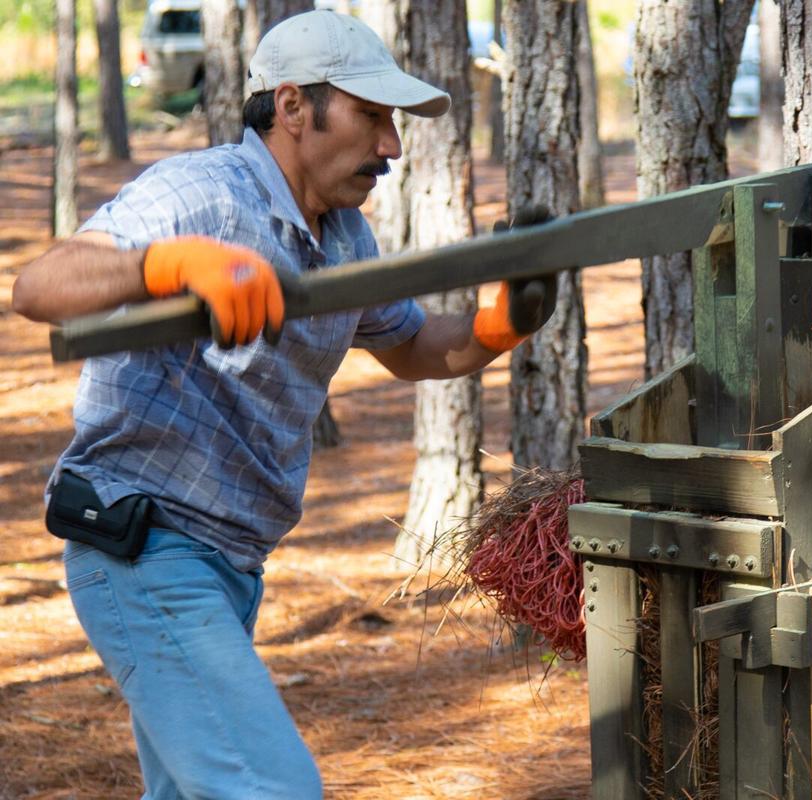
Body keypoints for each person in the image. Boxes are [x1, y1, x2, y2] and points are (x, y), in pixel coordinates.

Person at [11, 10, 556, 799]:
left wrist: (498, 325)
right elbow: (40, 287)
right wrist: (169, 265)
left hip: (231, 565)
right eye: (371, 117)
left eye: (393, 124)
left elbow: (411, 344)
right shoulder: (202, 193)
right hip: (145, 548)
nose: (392, 147)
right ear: (294, 106)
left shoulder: (344, 237)